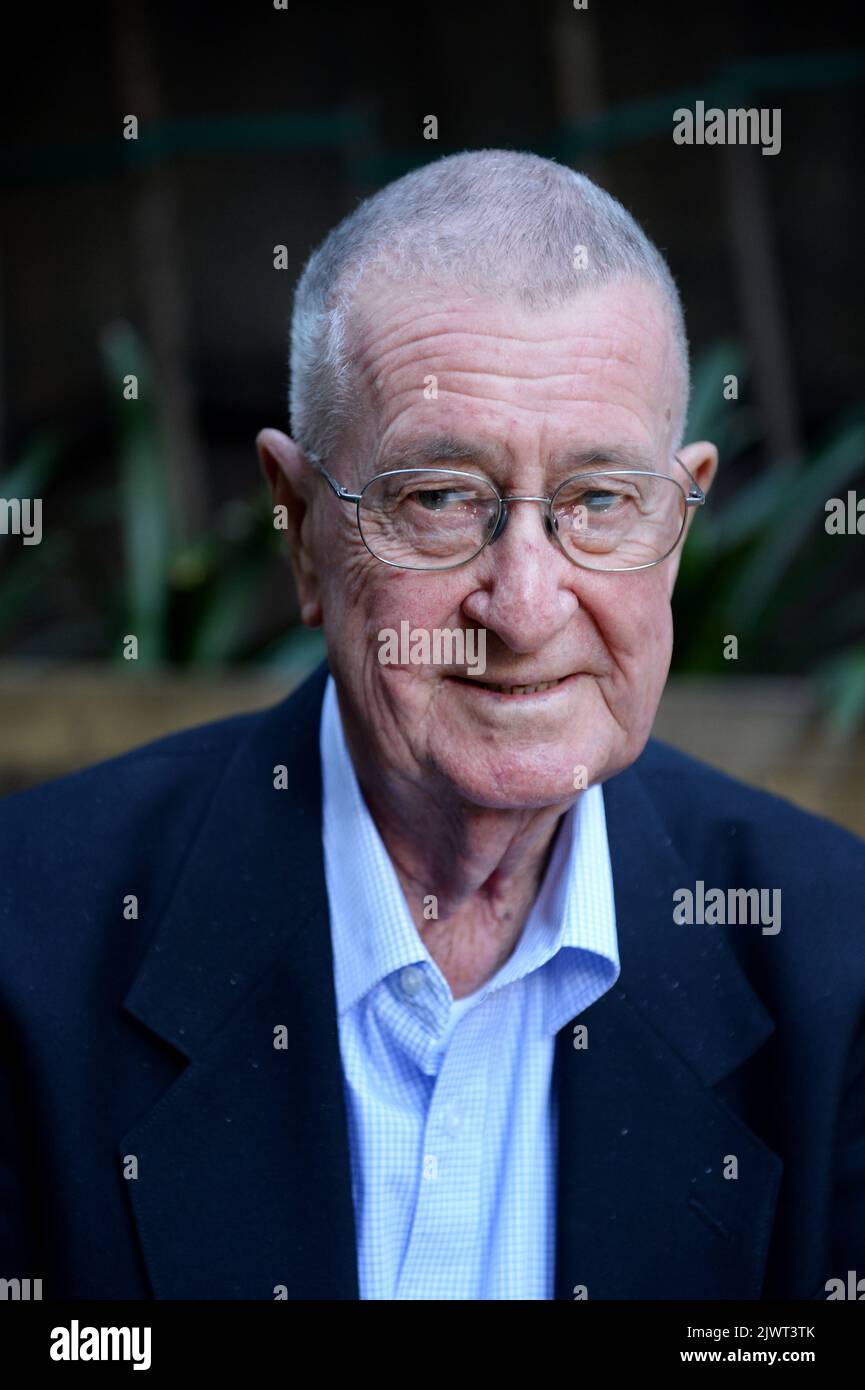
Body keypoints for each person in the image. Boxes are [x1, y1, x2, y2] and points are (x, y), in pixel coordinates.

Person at [1, 150, 862, 1300]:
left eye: (600, 501)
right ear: (302, 525)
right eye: (440, 498)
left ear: (681, 511)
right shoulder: (28, 948)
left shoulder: (838, 970)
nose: (522, 605)